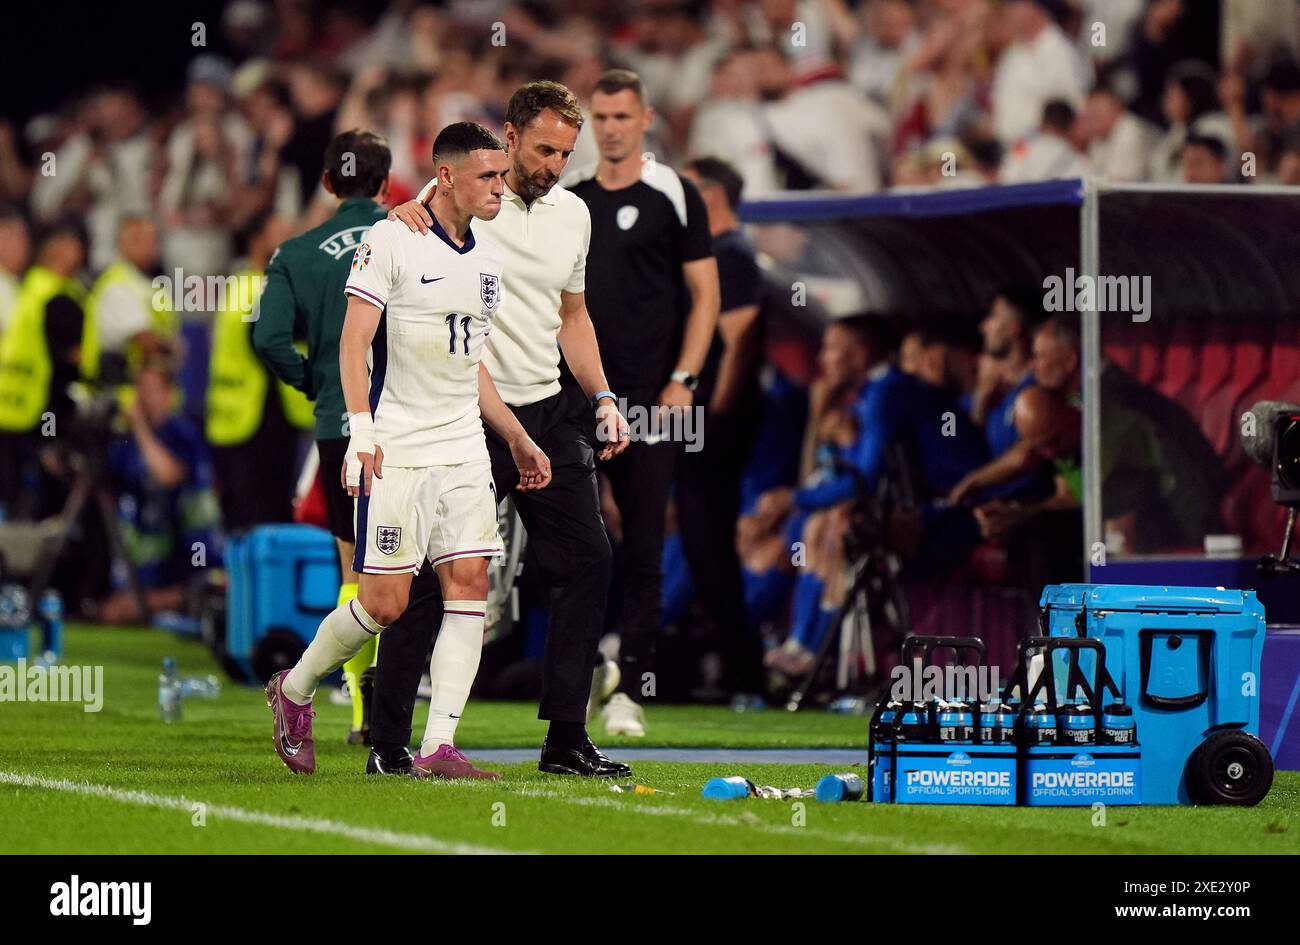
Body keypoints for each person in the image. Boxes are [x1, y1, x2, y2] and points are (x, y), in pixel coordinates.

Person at [265, 121, 552, 780]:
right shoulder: (390, 238)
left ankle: (440, 745)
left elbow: (468, 361)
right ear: (444, 176)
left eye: (502, 176)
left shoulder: (487, 259)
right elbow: (352, 342)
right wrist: (361, 434)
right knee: (385, 604)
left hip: (463, 446)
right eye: (487, 175)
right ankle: (296, 688)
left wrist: (515, 434)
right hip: (399, 444)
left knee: (471, 585)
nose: (499, 188)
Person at [387, 81, 634, 778]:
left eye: (566, 152)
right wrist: (410, 213)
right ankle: (389, 743)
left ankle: (565, 740)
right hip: (465, 413)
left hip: (549, 409)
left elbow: (572, 315)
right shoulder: (468, 200)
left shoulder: (574, 215)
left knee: (589, 559)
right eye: (546, 147)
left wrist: (604, 395)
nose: (555, 163)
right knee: (431, 578)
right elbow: (414, 232)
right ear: (511, 134)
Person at [253, 129, 437, 754]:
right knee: (420, 573)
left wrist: (317, 381)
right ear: (387, 183)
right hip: (420, 425)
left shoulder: (295, 253)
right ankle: (405, 721)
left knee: (359, 572)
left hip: (344, 427)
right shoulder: (416, 233)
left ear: (329, 184)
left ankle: (360, 712)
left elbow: (269, 339)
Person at [568, 69, 720, 736]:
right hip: (577, 400)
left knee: (646, 546)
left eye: (621, 116)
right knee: (571, 547)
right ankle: (580, 674)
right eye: (599, 117)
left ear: (646, 118)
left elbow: (706, 297)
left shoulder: (674, 196)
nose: (609, 128)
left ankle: (631, 684)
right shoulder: (569, 202)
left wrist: (683, 379)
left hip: (654, 401)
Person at [678, 155, 767, 704]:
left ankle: (745, 675)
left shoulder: (733, 256)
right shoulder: (713, 253)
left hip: (712, 426)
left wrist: (715, 416)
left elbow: (739, 340)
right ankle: (726, 669)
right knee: (697, 545)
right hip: (695, 421)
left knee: (710, 545)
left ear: (711, 196)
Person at [207, 211, 313, 532]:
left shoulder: (241, 284)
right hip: (257, 419)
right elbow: (270, 340)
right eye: (279, 232)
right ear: (257, 241)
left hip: (254, 418)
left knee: (256, 516)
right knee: (261, 516)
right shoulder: (263, 287)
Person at [0, 219, 88, 520]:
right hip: (37, 407)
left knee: (19, 499)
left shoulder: (25, 287)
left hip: (19, 406)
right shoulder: (46, 292)